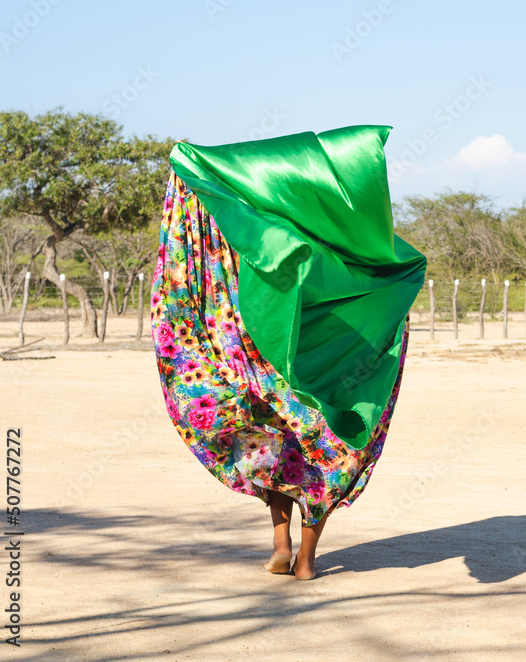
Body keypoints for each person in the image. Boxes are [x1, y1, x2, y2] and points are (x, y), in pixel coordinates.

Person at [150, 126, 426, 580]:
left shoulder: (265, 233)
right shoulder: (347, 252)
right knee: (327, 448)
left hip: (269, 357)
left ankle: (280, 542)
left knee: (273, 442)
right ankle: (306, 559)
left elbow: (256, 170)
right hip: (336, 361)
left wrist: (194, 164)